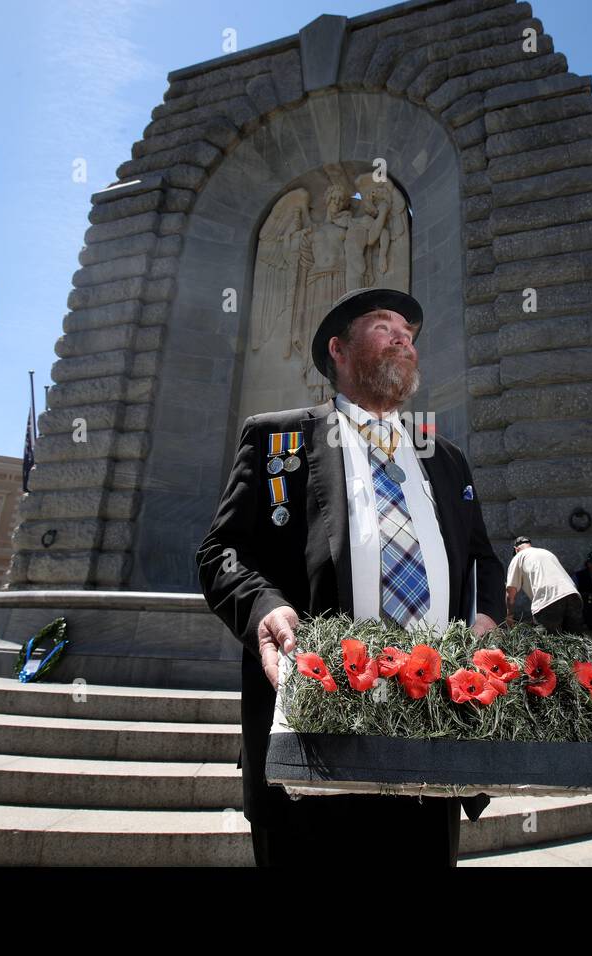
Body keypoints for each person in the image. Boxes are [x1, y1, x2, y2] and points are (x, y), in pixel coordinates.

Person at [195, 287, 507, 868]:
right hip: (313, 737)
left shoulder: (446, 458)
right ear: (338, 348)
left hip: (433, 732)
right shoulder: (276, 440)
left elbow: (484, 561)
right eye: (384, 325)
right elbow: (221, 553)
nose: (403, 336)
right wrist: (263, 608)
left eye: (410, 332)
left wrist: (485, 617)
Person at [505, 538, 584, 634]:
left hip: (549, 600)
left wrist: (509, 617)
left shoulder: (519, 556)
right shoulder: (546, 553)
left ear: (516, 549)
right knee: (574, 640)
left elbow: (510, 592)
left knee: (546, 643)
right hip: (573, 595)